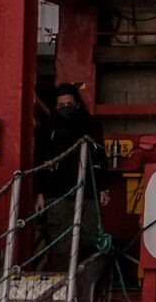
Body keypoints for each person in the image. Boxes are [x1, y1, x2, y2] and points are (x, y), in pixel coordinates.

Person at [34, 80, 108, 259]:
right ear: (55, 106)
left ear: (77, 103)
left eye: (69, 104)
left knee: (90, 241)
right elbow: (38, 161)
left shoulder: (91, 124)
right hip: (57, 192)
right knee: (61, 244)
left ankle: (89, 283)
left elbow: (100, 156)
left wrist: (104, 188)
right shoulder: (47, 129)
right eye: (61, 105)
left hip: (88, 191)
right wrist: (39, 194)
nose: (66, 108)